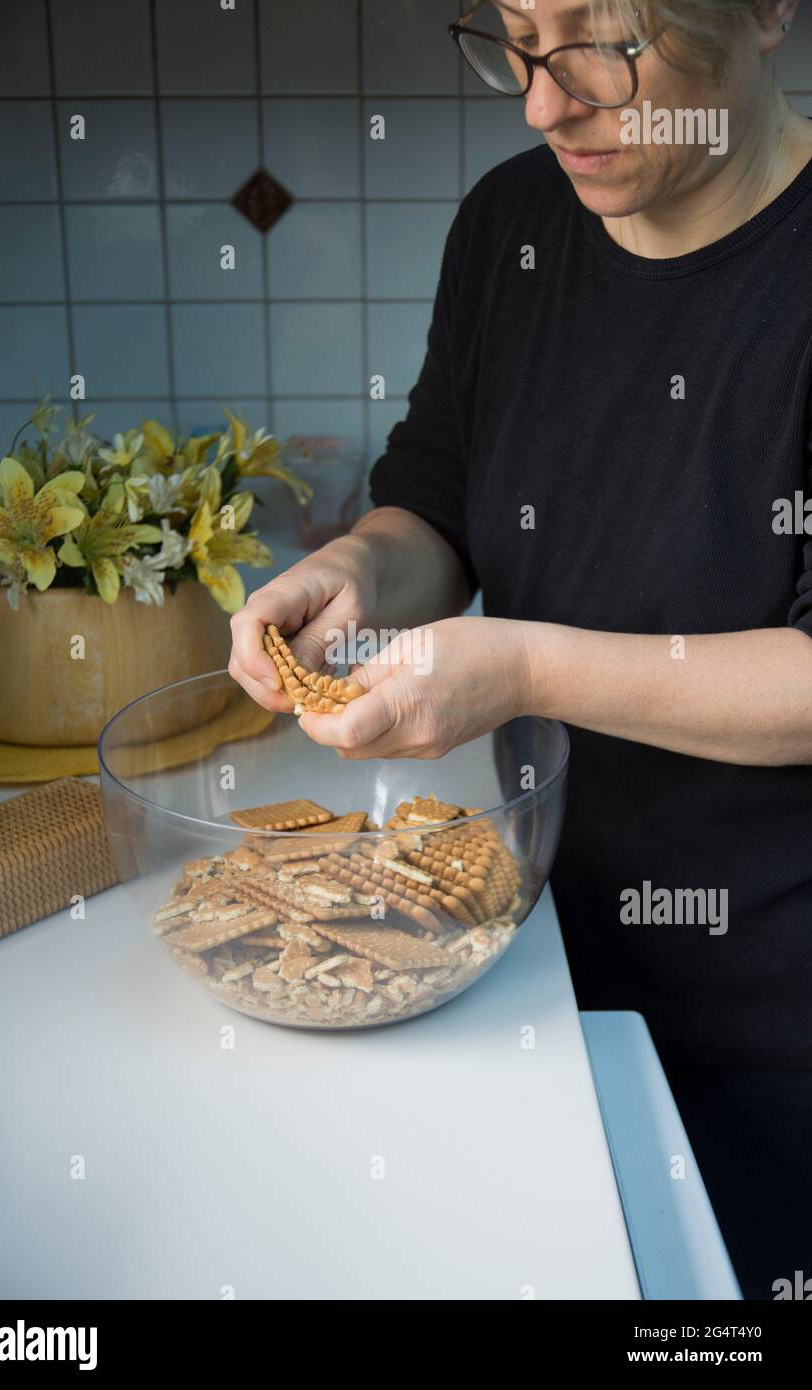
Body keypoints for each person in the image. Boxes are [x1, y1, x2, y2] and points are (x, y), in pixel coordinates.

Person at [228, 0, 812, 1300]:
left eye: (606, 42)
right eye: (514, 38)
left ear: (767, 13)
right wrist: (350, 576)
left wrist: (525, 667)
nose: (544, 103)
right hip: (526, 950)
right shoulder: (512, 225)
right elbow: (433, 504)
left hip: (775, 1031)